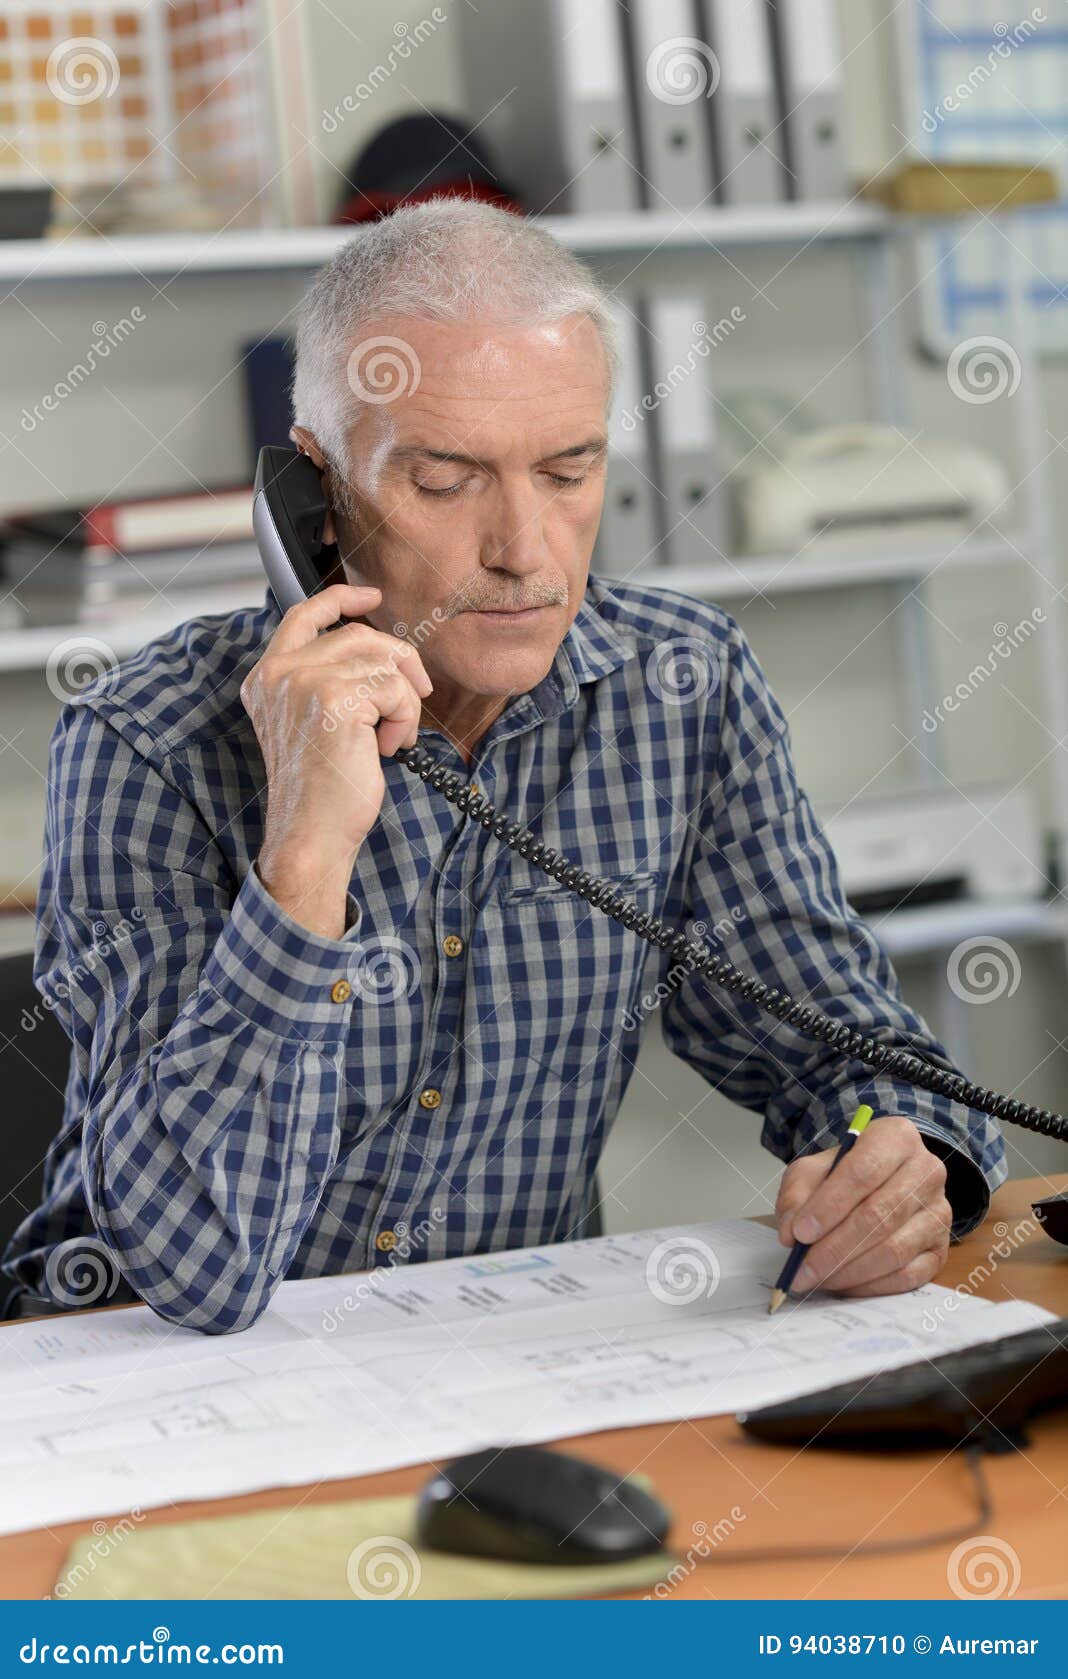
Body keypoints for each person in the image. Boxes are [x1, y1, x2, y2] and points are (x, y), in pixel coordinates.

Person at [3, 201, 1001, 1332]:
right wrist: (306, 852)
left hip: (504, 1362)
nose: (525, 552)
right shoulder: (149, 741)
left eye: (569, 473)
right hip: (129, 1377)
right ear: (316, 494)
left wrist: (906, 1161)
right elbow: (195, 1270)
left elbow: (857, 1053)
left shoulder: (684, 689)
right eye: (446, 482)